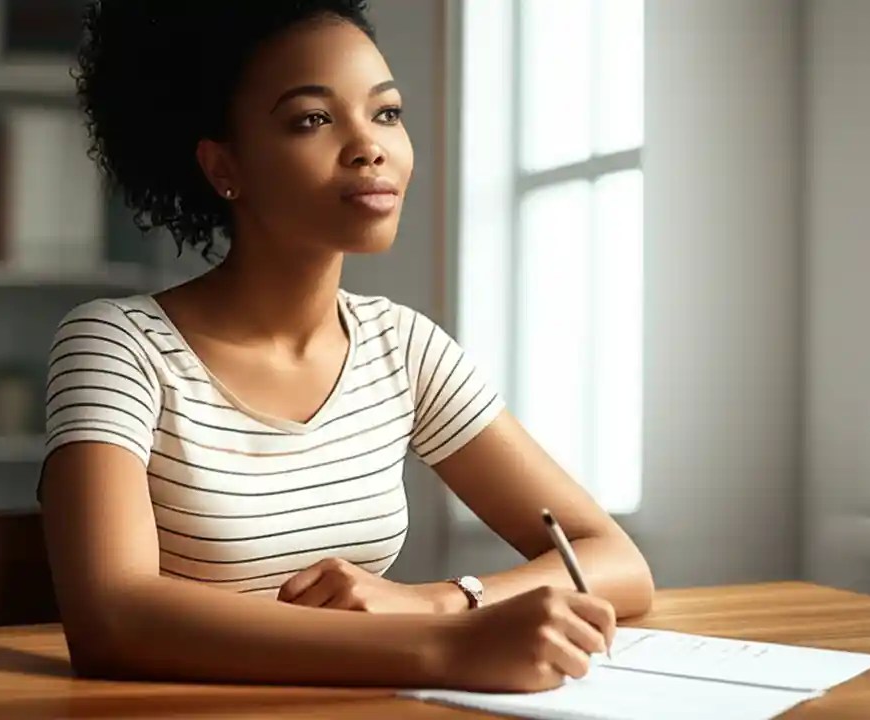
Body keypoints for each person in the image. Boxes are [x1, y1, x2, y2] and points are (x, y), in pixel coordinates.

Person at [39, 0, 653, 693]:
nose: (370, 145)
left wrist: (436, 600)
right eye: (313, 119)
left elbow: (617, 562)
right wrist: (444, 646)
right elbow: (113, 620)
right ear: (222, 166)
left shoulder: (401, 347)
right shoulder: (118, 346)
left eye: (386, 113)